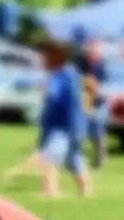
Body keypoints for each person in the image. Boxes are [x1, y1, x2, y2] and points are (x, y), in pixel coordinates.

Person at [35, 38, 89, 198]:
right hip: (74, 125)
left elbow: (53, 97)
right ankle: (85, 190)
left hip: (60, 126)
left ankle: (49, 191)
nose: (43, 60)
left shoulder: (59, 76)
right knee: (73, 159)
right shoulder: (71, 74)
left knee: (48, 159)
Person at [80, 38, 109, 170]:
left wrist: (93, 84)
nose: (90, 52)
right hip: (85, 102)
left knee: (97, 132)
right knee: (84, 132)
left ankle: (98, 161)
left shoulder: (101, 65)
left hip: (98, 103)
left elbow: (103, 84)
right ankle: (82, 159)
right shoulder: (81, 64)